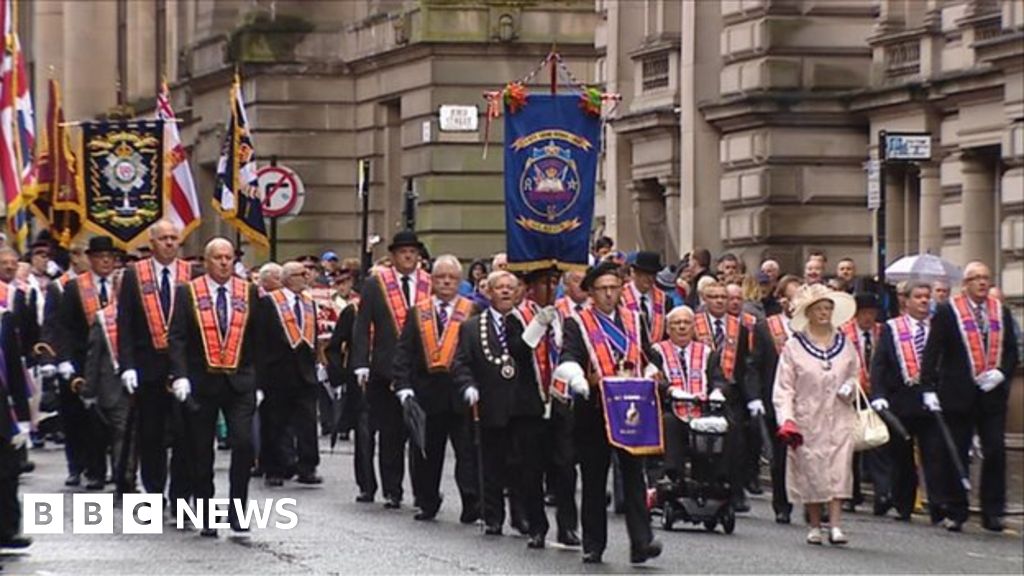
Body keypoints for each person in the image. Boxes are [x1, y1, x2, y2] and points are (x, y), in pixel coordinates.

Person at [555, 261, 661, 565]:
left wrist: (653, 370)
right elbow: (569, 356)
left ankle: (642, 542)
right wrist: (578, 379)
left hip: (631, 408)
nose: (609, 295)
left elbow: (647, 355)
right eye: (602, 289)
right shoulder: (578, 322)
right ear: (590, 292)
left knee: (634, 476)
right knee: (594, 477)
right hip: (594, 410)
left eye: (614, 288)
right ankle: (593, 544)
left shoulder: (633, 319)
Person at [168, 237, 264, 537]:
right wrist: (180, 375)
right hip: (202, 381)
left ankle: (237, 511)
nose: (224, 262)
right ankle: (207, 513)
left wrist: (258, 381)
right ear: (206, 262)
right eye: (218, 257)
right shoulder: (188, 293)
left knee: (244, 444)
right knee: (200, 452)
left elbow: (260, 339)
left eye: (229, 257)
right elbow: (178, 337)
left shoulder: (247, 291)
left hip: (240, 382)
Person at [919, 261, 1018, 532]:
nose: (982, 283)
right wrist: (927, 387)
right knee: (957, 452)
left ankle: (993, 510)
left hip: (991, 395)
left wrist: (1001, 372)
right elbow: (933, 350)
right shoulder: (949, 312)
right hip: (957, 394)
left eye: (986, 278)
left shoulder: (1001, 311)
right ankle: (956, 509)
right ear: (966, 284)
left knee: (995, 450)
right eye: (976, 278)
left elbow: (1011, 350)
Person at [392, 255, 479, 523]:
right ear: (432, 280)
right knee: (427, 452)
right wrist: (403, 386)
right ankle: (427, 501)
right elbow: (404, 352)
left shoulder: (472, 310)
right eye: (441, 277)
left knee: (467, 452)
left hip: (460, 392)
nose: (446, 282)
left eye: (452, 278)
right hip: (427, 392)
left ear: (460, 281)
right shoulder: (418, 311)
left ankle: (472, 503)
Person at [117, 220, 195, 506]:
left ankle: (180, 493)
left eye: (174, 238)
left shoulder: (190, 273)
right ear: (152, 243)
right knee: (151, 433)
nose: (170, 243)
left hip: (183, 368)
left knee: (185, 433)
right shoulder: (134, 274)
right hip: (148, 366)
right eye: (164, 238)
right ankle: (153, 489)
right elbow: (124, 323)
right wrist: (126, 365)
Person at [773, 283, 859, 545]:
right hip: (807, 416)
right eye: (819, 309)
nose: (824, 313)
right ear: (808, 313)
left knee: (839, 468)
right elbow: (784, 387)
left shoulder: (845, 343)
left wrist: (850, 386)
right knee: (811, 470)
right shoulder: (794, 347)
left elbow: (855, 373)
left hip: (840, 414)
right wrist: (786, 418)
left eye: (827, 308)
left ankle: (835, 524)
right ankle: (814, 524)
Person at [351, 231, 432, 508]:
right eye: (403, 252)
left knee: (421, 432)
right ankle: (392, 489)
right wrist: (361, 363)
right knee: (391, 433)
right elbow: (362, 325)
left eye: (413, 252)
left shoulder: (429, 284)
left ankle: (424, 492)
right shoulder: (376, 284)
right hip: (385, 368)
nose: (409, 256)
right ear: (394, 257)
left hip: (421, 368)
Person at [452, 271, 533, 538]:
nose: (507, 292)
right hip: (490, 404)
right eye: (500, 288)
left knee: (521, 463)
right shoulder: (472, 327)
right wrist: (468, 386)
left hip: (521, 406)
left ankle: (521, 516)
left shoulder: (526, 324)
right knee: (491, 464)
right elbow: (461, 362)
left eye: (511, 287)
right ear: (489, 292)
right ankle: (493, 516)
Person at [514, 267, 580, 547]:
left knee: (565, 466)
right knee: (532, 468)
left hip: (560, 400)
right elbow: (518, 350)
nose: (549, 288)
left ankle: (567, 527)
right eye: (543, 283)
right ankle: (536, 526)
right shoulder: (517, 317)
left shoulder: (567, 317)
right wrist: (538, 324)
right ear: (531, 287)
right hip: (530, 403)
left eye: (554, 283)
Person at [870, 281, 943, 522]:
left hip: (931, 399)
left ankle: (937, 504)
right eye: (919, 297)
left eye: (927, 296)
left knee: (933, 454)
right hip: (901, 400)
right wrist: (878, 395)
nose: (924, 301)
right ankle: (904, 504)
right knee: (901, 454)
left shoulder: (938, 327)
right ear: (907, 301)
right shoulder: (892, 328)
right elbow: (880, 364)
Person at [53, 237, 120, 489]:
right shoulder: (74, 287)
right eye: (100, 256)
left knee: (118, 418)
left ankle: (120, 469)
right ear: (90, 259)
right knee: (87, 418)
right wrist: (65, 360)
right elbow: (66, 327)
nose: (105, 260)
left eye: (110, 256)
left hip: (115, 361)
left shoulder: (123, 284)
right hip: (85, 361)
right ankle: (93, 470)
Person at [259, 261, 322, 486]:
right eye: (299, 274)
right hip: (277, 371)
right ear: (286, 278)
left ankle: (307, 466)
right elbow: (261, 338)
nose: (305, 278)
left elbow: (312, 338)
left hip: (304, 372)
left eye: (305, 274)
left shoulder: (309, 303)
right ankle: (274, 468)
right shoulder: (269, 302)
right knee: (275, 422)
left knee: (307, 422)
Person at [645, 305, 725, 481]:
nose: (682, 327)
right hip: (670, 407)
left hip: (702, 408)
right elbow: (653, 377)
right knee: (669, 424)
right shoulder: (656, 351)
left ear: (693, 327)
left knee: (725, 426)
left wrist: (717, 391)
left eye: (686, 323)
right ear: (668, 328)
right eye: (677, 323)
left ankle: (715, 482)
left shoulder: (707, 353)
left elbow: (718, 377)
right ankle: (673, 477)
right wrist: (670, 389)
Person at [693, 281, 754, 511]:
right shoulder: (694, 324)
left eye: (722, 297)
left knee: (736, 441)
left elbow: (746, 363)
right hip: (700, 391)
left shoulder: (740, 327)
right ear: (705, 300)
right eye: (714, 297)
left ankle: (734, 491)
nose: (719, 301)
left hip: (732, 392)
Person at [747, 274, 803, 524]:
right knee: (780, 457)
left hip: (809, 400)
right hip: (777, 400)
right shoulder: (766, 327)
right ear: (783, 301)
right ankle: (783, 503)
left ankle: (819, 503)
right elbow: (754, 365)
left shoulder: (814, 328)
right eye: (795, 297)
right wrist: (755, 397)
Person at [82, 270, 135, 495]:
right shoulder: (103, 318)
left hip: (140, 385)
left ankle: (129, 476)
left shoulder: (143, 315)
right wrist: (89, 390)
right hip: (111, 385)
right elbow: (94, 357)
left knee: (135, 435)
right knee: (122, 433)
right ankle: (124, 479)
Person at [840, 293, 888, 514]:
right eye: (864, 313)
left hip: (876, 394)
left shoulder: (882, 332)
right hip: (851, 394)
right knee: (852, 447)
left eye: (872, 313)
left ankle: (882, 493)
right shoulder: (844, 332)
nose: (869, 318)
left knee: (876, 442)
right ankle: (851, 493)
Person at [0, 297, 31, 549]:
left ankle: (7, 529)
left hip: (2, 411)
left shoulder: (4, 318)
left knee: (7, 473)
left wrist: (22, 418)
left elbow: (14, 369)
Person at [621, 251, 667, 347]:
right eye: (644, 274)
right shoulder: (620, 296)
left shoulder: (665, 300)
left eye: (653, 274)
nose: (650, 278)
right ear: (634, 272)